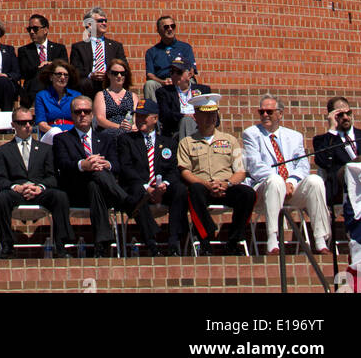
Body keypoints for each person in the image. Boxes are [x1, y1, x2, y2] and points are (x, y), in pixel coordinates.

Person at [53, 97, 142, 255]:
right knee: (94, 177)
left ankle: (102, 244)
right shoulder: (62, 139)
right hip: (75, 191)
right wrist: (83, 165)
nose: (82, 115)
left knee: (95, 182)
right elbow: (62, 165)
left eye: (86, 111)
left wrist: (107, 164)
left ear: (92, 114)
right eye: (78, 112)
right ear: (72, 115)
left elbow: (117, 165)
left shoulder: (106, 138)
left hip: (103, 191)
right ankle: (126, 201)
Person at [242, 95, 330, 254]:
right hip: (264, 188)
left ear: (280, 114)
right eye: (261, 112)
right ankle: (272, 240)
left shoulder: (295, 136)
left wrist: (291, 182)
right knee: (275, 181)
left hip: (291, 188)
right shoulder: (251, 134)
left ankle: (320, 240)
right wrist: (282, 183)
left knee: (315, 181)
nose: (264, 115)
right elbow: (255, 166)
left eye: (269, 111)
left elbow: (302, 164)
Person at [177, 94, 255, 254]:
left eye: (213, 114)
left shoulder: (231, 140)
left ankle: (234, 241)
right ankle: (205, 241)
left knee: (248, 194)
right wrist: (206, 184)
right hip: (203, 187)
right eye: (205, 114)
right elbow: (184, 171)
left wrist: (228, 183)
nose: (210, 118)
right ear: (195, 116)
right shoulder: (186, 142)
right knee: (194, 191)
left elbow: (241, 171)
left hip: (226, 185)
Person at [0, 109, 73, 258]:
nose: (28, 125)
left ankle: (61, 246)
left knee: (60, 196)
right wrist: (17, 187)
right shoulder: (2, 151)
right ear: (13, 125)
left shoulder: (46, 149)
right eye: (22, 123)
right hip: (16, 191)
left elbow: (52, 177)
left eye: (31, 122)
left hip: (39, 190)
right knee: (0, 199)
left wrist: (40, 187)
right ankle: (7, 246)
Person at [116, 98, 188, 255]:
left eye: (144, 116)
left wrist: (164, 186)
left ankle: (174, 241)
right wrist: (147, 188)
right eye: (138, 116)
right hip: (140, 188)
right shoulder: (127, 140)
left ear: (155, 118)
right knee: (136, 193)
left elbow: (173, 170)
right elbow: (126, 169)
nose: (140, 119)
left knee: (180, 190)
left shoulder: (168, 142)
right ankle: (151, 243)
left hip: (162, 189)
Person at [313, 97, 361, 206]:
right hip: (340, 189)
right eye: (340, 115)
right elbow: (323, 162)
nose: (345, 117)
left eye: (348, 113)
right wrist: (332, 129)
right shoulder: (324, 140)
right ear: (332, 116)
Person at [69, 7, 126, 98]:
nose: (104, 23)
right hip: (88, 84)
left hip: (109, 80)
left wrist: (109, 74)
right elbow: (75, 70)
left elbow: (124, 66)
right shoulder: (78, 47)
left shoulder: (116, 46)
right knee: (85, 83)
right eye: (100, 21)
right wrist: (91, 75)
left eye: (105, 21)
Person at [17, 14, 68, 105]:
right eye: (29, 29)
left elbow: (66, 68)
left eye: (35, 29)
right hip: (33, 87)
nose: (32, 32)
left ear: (45, 30)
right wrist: (41, 68)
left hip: (56, 85)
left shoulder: (59, 48)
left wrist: (51, 65)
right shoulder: (24, 51)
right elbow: (24, 73)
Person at [144, 15, 197, 101]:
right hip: (162, 82)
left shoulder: (185, 47)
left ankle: (189, 109)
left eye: (172, 26)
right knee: (150, 84)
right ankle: (153, 113)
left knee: (190, 81)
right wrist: (162, 82)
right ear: (158, 31)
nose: (170, 29)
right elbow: (150, 75)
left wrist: (178, 79)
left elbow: (192, 70)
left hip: (181, 80)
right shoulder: (151, 52)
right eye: (166, 27)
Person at [156, 57, 211, 139]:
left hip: (200, 128)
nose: (174, 75)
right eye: (172, 72)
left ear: (189, 75)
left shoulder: (203, 90)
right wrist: (185, 116)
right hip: (176, 131)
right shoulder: (164, 92)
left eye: (179, 72)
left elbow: (214, 117)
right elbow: (165, 115)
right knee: (187, 121)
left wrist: (198, 117)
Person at [34, 60, 80, 136]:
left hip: (72, 134)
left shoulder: (76, 96)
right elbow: (41, 124)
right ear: (51, 77)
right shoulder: (41, 96)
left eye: (66, 75)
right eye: (59, 74)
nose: (62, 77)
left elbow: (80, 120)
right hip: (51, 133)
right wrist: (58, 133)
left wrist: (69, 133)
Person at [93, 58, 136, 134]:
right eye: (115, 73)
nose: (119, 76)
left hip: (129, 132)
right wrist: (119, 126)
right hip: (108, 132)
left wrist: (133, 126)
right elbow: (100, 119)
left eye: (122, 73)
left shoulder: (133, 96)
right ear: (109, 75)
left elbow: (135, 117)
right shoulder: (101, 95)